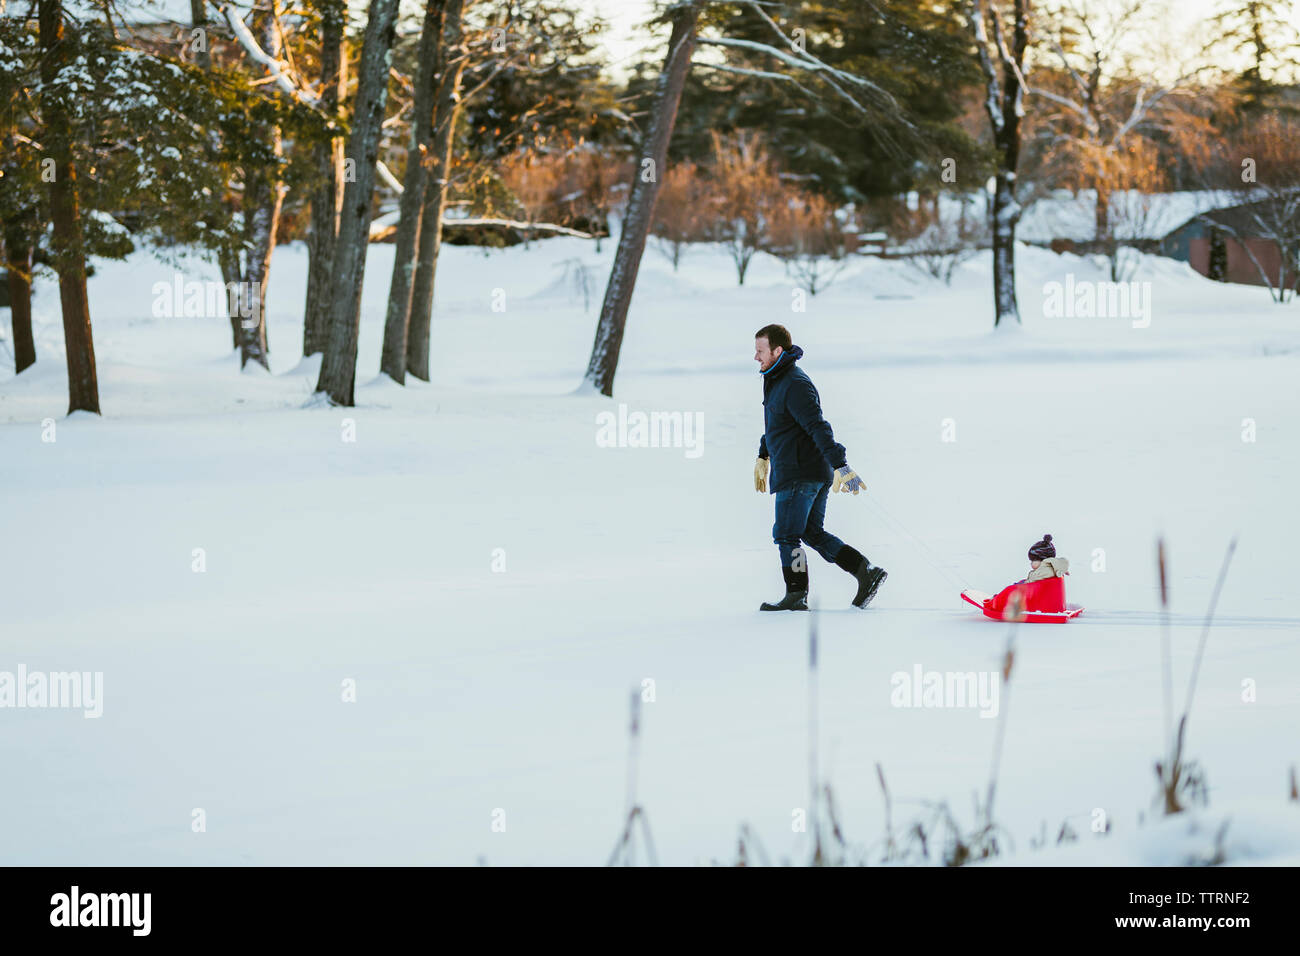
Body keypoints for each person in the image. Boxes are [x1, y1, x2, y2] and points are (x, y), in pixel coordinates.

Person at [752, 324, 887, 611]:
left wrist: (841, 465)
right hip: (803, 470)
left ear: (777, 351)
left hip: (800, 473)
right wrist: (763, 456)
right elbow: (777, 426)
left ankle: (796, 593)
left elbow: (818, 427)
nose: (756, 357)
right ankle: (866, 571)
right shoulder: (776, 380)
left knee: (787, 535)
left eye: (760, 351)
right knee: (811, 532)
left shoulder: (795, 384)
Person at [984, 534, 1070, 616]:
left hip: (1036, 598)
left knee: (1011, 589)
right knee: (1018, 584)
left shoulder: (1044, 571)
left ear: (1043, 560)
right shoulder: (1050, 568)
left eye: (1033, 561)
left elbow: (1033, 583)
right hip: (1040, 594)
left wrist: (1022, 584)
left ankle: (997, 602)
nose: (1031, 564)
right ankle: (999, 598)